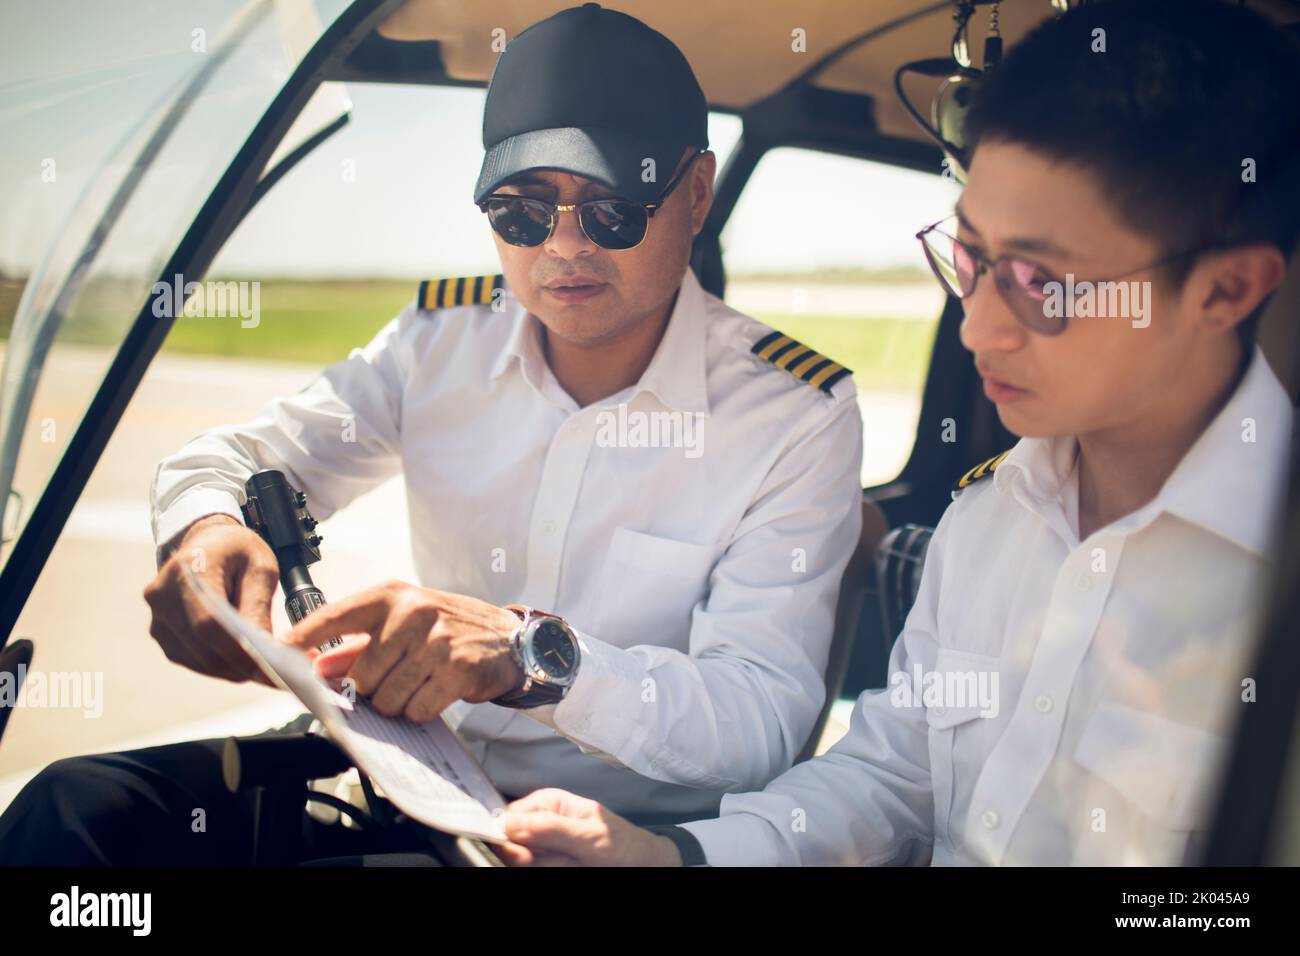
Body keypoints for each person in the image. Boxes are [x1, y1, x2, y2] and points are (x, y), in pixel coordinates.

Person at [0, 4, 863, 865]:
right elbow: (235, 459)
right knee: (76, 812)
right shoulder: (437, 341)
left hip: (596, 837)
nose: (563, 247)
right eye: (521, 212)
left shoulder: (794, 415)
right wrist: (205, 530)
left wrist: (531, 657)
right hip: (398, 773)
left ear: (697, 193)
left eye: (610, 211)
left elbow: (759, 721)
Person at [495, 0, 1300, 867]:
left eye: (1040, 280)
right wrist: (673, 857)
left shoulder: (1270, 587)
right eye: (969, 259)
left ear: (1225, 291)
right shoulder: (993, 520)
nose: (977, 329)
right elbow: (889, 777)